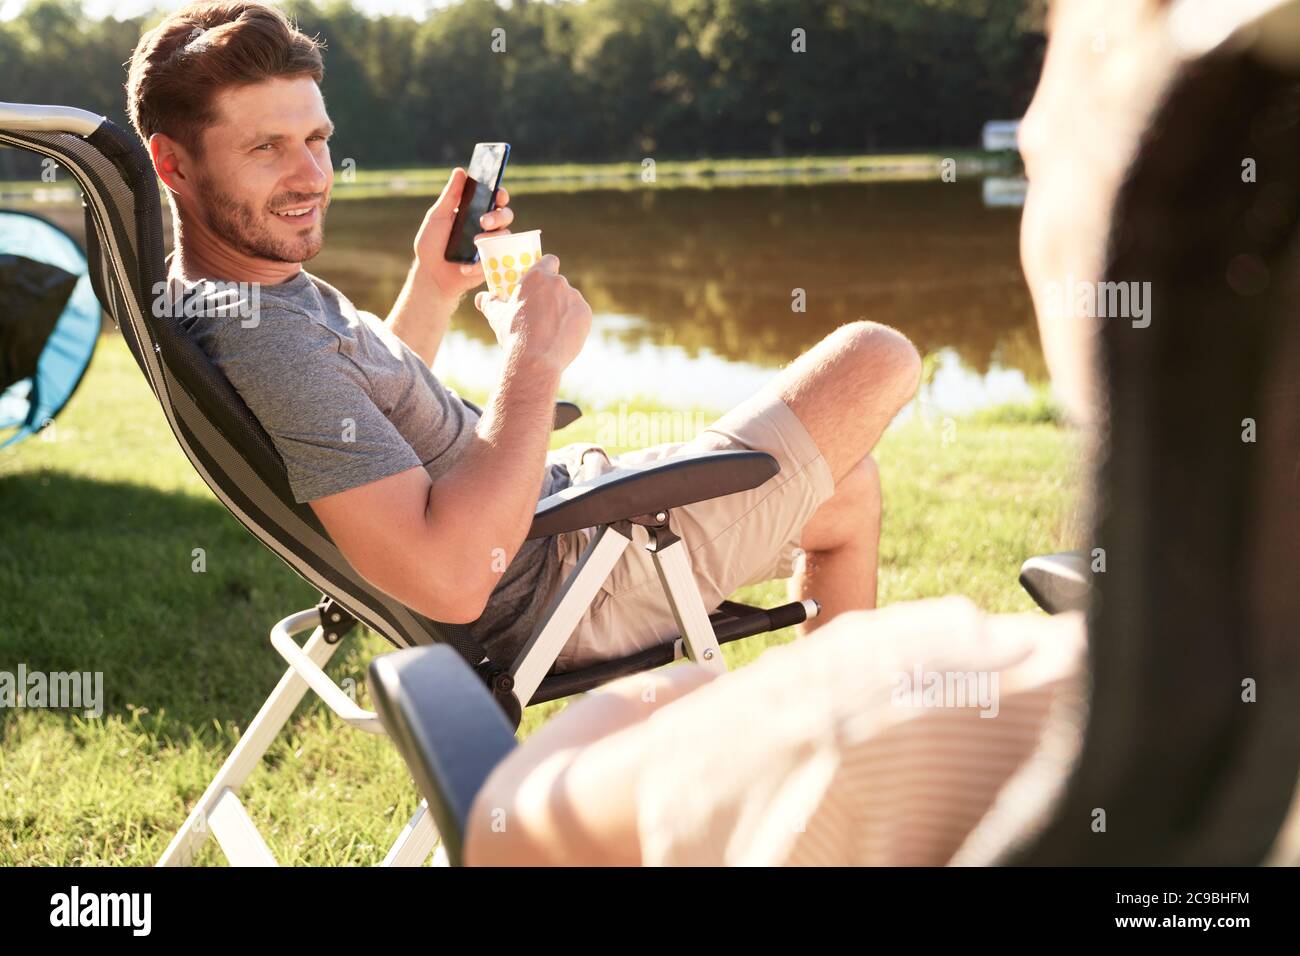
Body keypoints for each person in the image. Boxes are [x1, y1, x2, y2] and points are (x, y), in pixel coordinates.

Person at [461, 0, 1300, 865]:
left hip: (576, 581)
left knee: (864, 398)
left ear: (1149, 213)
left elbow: (510, 835)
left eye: (1036, 156)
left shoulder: (899, 720)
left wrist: (654, 707)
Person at [125, 1, 921, 674]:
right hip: (568, 581)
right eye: (266, 147)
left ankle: (833, 749)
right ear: (173, 165)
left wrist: (432, 283)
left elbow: (361, 418)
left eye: (317, 139)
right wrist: (532, 358)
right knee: (877, 355)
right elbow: (452, 581)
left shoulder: (248, 295)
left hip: (559, 528)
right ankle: (840, 770)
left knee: (846, 488)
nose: (311, 176)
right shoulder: (271, 342)